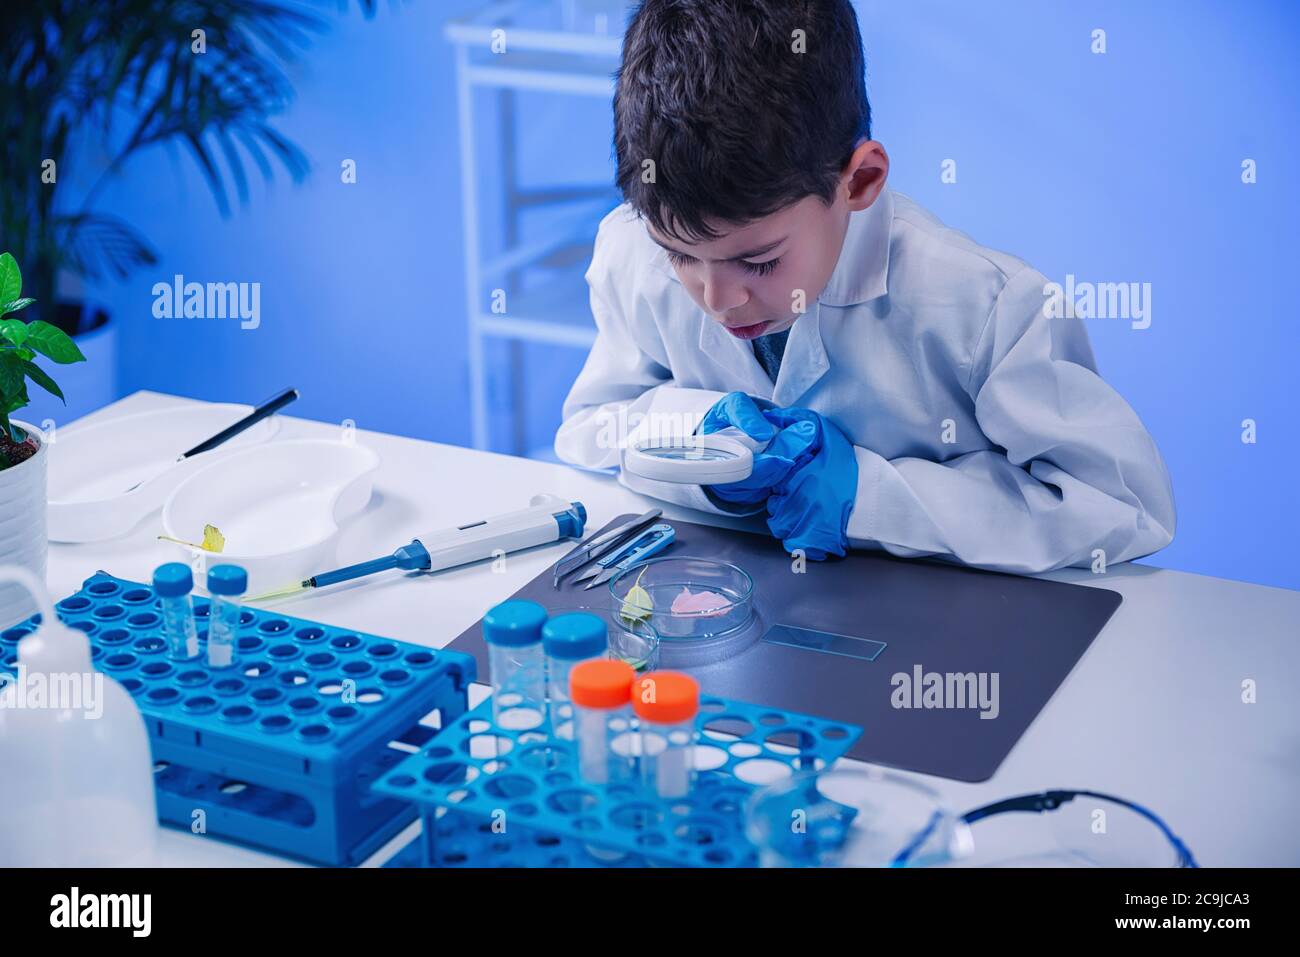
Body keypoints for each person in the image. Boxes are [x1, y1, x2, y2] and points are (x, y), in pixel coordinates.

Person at [555, 0, 1175, 574]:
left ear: (860, 180)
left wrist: (867, 495)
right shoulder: (630, 253)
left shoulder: (987, 307)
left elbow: (1119, 506)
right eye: (680, 256)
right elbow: (591, 427)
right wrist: (703, 440)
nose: (717, 302)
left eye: (762, 263)